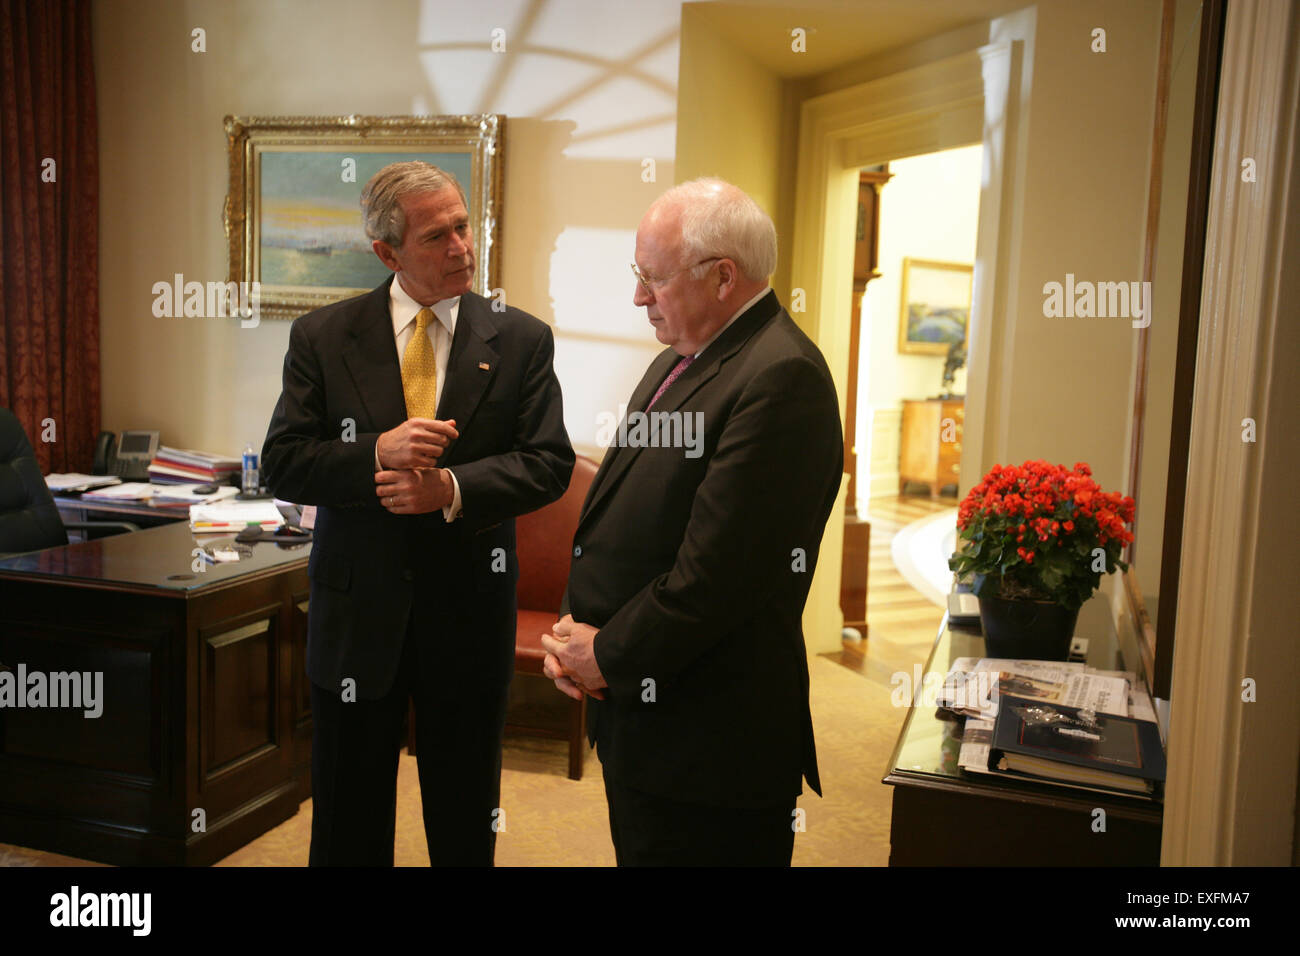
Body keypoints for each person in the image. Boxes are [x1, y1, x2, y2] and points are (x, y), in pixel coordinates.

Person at [262, 161, 573, 866]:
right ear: (388, 252)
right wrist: (377, 450)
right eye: (438, 237)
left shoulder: (521, 338)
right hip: (355, 619)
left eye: (464, 226)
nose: (462, 247)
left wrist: (450, 491)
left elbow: (547, 463)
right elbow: (283, 460)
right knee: (347, 822)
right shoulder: (322, 336)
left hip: (467, 615)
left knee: (464, 820)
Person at [541, 178, 843, 866]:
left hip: (711, 744)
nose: (639, 297)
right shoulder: (678, 359)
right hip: (647, 716)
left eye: (653, 278)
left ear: (723, 277)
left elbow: (714, 578)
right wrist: (573, 637)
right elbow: (617, 516)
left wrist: (606, 653)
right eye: (637, 276)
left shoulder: (781, 377)